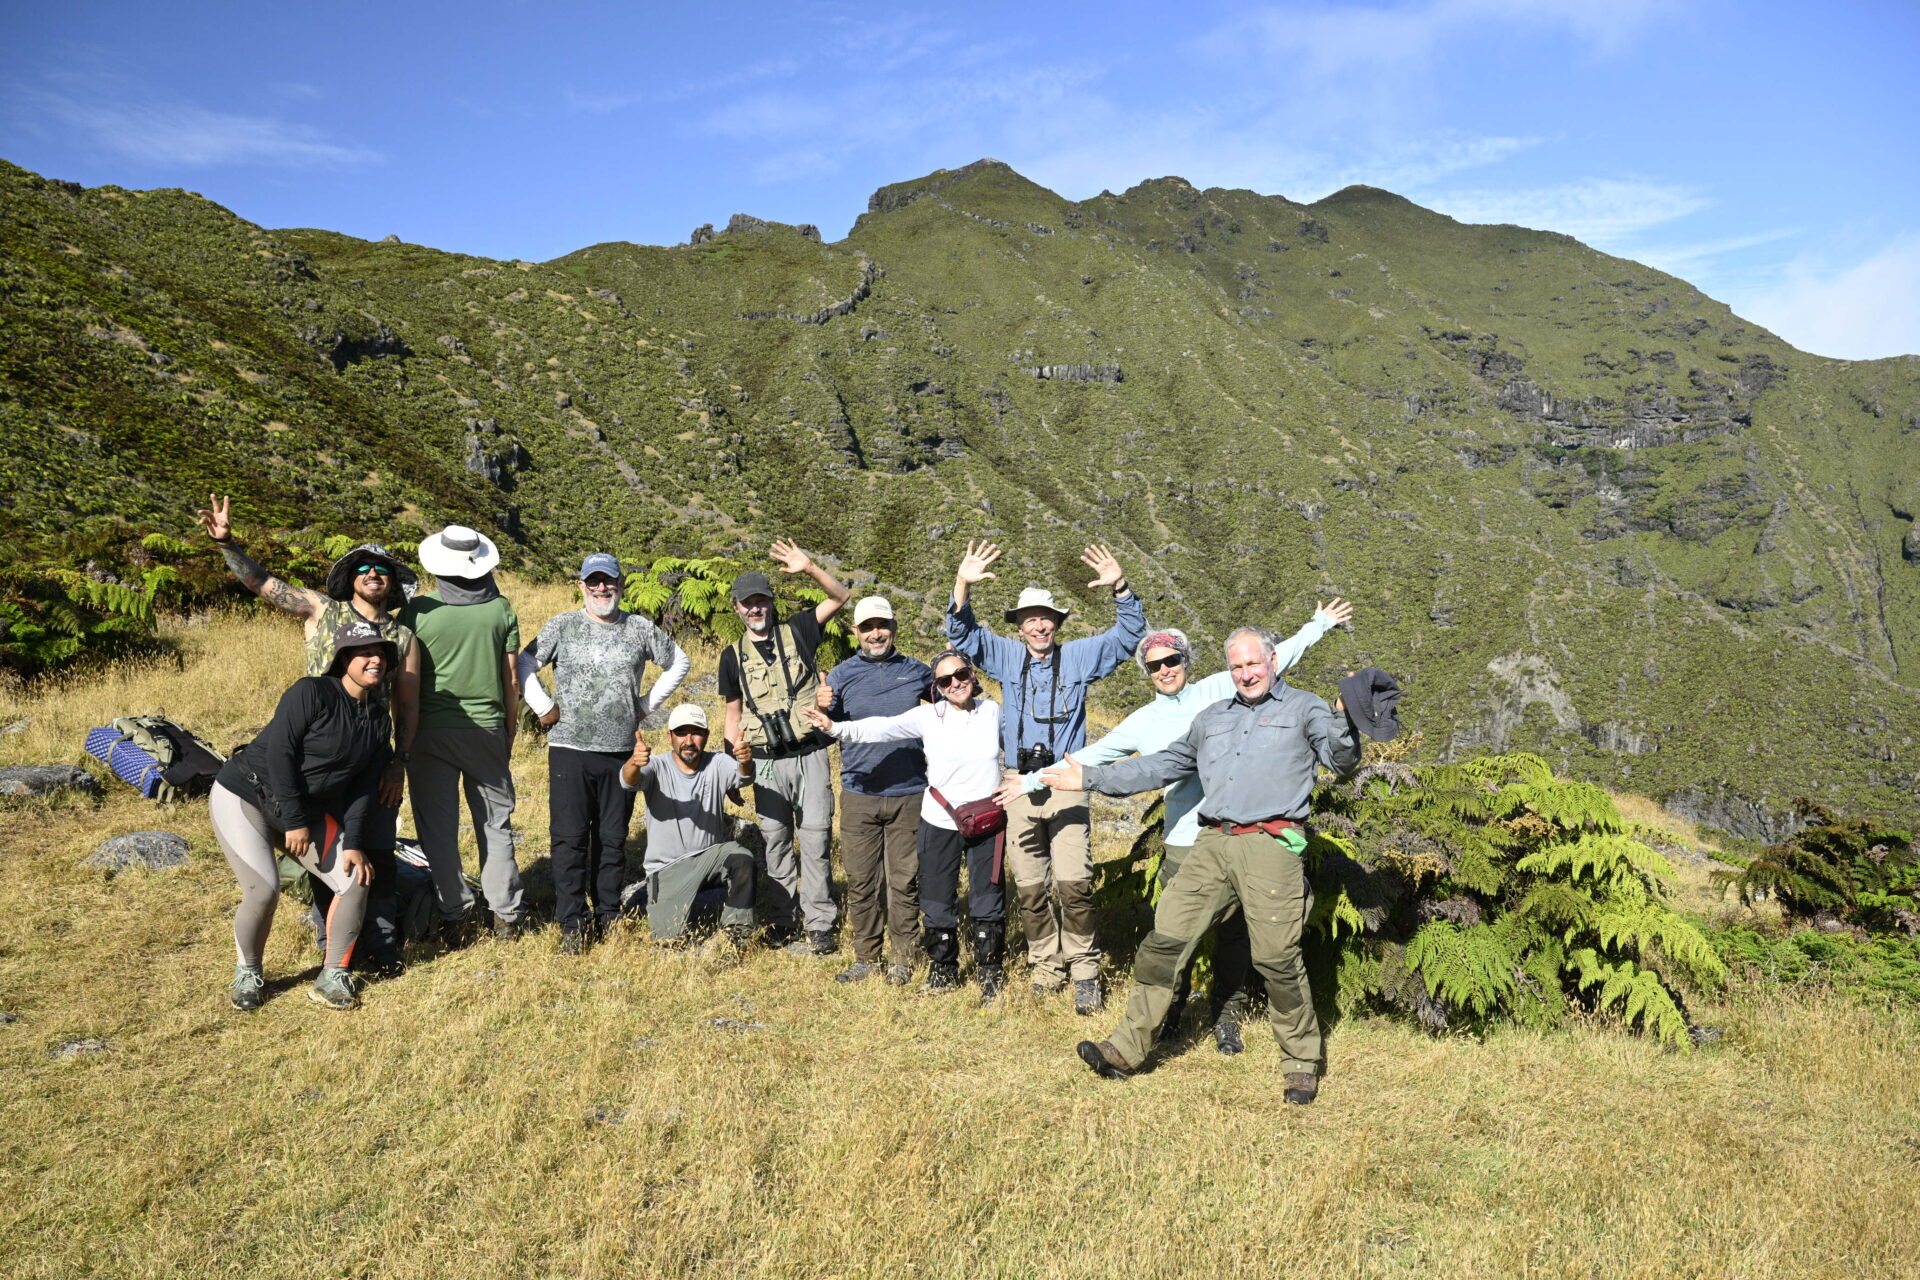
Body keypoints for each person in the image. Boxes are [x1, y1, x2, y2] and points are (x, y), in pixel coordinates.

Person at [1000, 603, 1353, 1053]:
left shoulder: (1221, 690)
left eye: (1172, 660)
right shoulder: (1148, 722)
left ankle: (1227, 1016)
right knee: (1173, 934)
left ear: (1186, 661)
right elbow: (1102, 757)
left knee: (1236, 940)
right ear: (1146, 672)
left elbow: (1274, 655)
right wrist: (1032, 779)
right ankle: (1166, 1017)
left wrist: (1319, 625)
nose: (1164, 670)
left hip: (1253, 840)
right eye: (1154, 665)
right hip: (1188, 841)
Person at [196, 494, 418, 976]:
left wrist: (399, 761)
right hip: (310, 748)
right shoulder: (323, 611)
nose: (373, 573)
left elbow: (408, 702)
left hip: (370, 758)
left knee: (371, 851)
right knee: (314, 855)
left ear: (392, 581)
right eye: (363, 568)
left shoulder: (403, 639)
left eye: (382, 568)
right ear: (350, 579)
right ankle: (326, 943)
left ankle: (378, 945)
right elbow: (262, 583)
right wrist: (228, 544)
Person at [946, 540, 1144, 1013]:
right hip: (1017, 783)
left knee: (1075, 883)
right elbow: (962, 634)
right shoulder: (1004, 657)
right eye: (1029, 617)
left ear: (1057, 622)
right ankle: (1045, 966)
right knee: (1031, 886)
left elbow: (1130, 635)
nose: (1039, 624)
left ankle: (1084, 971)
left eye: (1046, 616)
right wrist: (963, 584)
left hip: (1068, 781)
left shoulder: (1078, 657)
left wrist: (1119, 585)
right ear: (1018, 626)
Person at [803, 649, 1006, 1002]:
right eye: (945, 680)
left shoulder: (993, 712)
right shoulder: (928, 717)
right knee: (937, 898)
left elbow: (1018, 746)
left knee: (987, 898)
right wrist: (835, 727)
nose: (955, 683)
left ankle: (990, 972)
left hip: (986, 819)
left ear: (972, 675)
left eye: (960, 675)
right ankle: (943, 969)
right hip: (940, 819)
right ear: (937, 687)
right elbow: (880, 728)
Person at [211, 622, 393, 1011]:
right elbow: (280, 755)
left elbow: (363, 788)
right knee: (265, 890)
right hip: (246, 794)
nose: (374, 659)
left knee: (356, 878)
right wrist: (294, 821)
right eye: (364, 652)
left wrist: (356, 844)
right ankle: (248, 972)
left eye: (380, 653)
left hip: (303, 811)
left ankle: (332, 977)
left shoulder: (379, 720)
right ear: (344, 659)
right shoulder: (310, 692)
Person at [518, 553, 690, 953]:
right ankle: (572, 923)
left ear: (620, 584)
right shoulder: (562, 625)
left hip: (620, 753)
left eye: (608, 581)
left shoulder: (639, 627)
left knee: (612, 839)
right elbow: (525, 662)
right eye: (593, 582)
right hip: (569, 749)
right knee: (569, 838)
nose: (601, 589)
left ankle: (608, 915)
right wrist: (543, 707)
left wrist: (646, 705)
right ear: (581, 586)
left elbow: (680, 661)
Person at [717, 540, 851, 954]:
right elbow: (733, 715)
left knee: (814, 842)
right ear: (737, 609)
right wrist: (731, 771)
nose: (755, 610)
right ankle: (781, 920)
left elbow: (841, 596)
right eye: (747, 604)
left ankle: (820, 923)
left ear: (770, 605)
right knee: (775, 842)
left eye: (761, 602)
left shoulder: (799, 630)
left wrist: (810, 567)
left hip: (810, 755)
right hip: (765, 764)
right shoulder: (731, 656)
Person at [396, 526, 525, 943]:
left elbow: (407, 683)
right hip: (486, 729)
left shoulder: (418, 612)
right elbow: (512, 680)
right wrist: (508, 730)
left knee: (437, 827)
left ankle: (456, 913)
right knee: (495, 823)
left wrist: (405, 739)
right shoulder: (500, 609)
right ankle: (505, 914)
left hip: (429, 731)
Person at [816, 596, 932, 985]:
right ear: (855, 633)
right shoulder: (841, 675)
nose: (875, 633)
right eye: (867, 627)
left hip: (910, 792)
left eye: (882, 625)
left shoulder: (919, 672)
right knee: (863, 881)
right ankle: (866, 957)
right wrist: (824, 707)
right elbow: (826, 730)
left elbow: (952, 706)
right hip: (859, 792)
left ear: (894, 627)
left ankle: (902, 958)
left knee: (904, 881)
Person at [621, 704, 759, 953]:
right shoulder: (656, 765)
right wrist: (634, 762)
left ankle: (736, 935)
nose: (688, 740)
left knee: (741, 858)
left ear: (706, 735)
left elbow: (744, 777)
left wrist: (745, 761)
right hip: (667, 870)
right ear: (669, 736)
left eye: (695, 733)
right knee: (668, 942)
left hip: (709, 861)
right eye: (681, 733)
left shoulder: (717, 762)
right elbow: (628, 780)